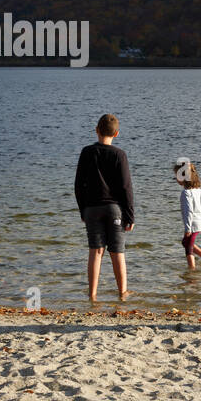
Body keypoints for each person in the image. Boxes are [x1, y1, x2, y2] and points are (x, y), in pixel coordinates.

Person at [74, 114, 135, 301]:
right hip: (113, 208)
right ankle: (122, 292)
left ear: (96, 130)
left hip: (91, 208)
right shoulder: (119, 155)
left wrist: (82, 208)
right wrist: (130, 215)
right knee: (117, 251)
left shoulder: (86, 152)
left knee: (96, 250)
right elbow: (126, 187)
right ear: (116, 133)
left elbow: (78, 184)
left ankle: (92, 295)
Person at [174, 159, 201, 269]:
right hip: (198, 222)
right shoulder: (197, 190)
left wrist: (187, 229)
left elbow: (189, 211)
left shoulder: (185, 193)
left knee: (188, 248)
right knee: (185, 243)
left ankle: (192, 271)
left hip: (192, 225)